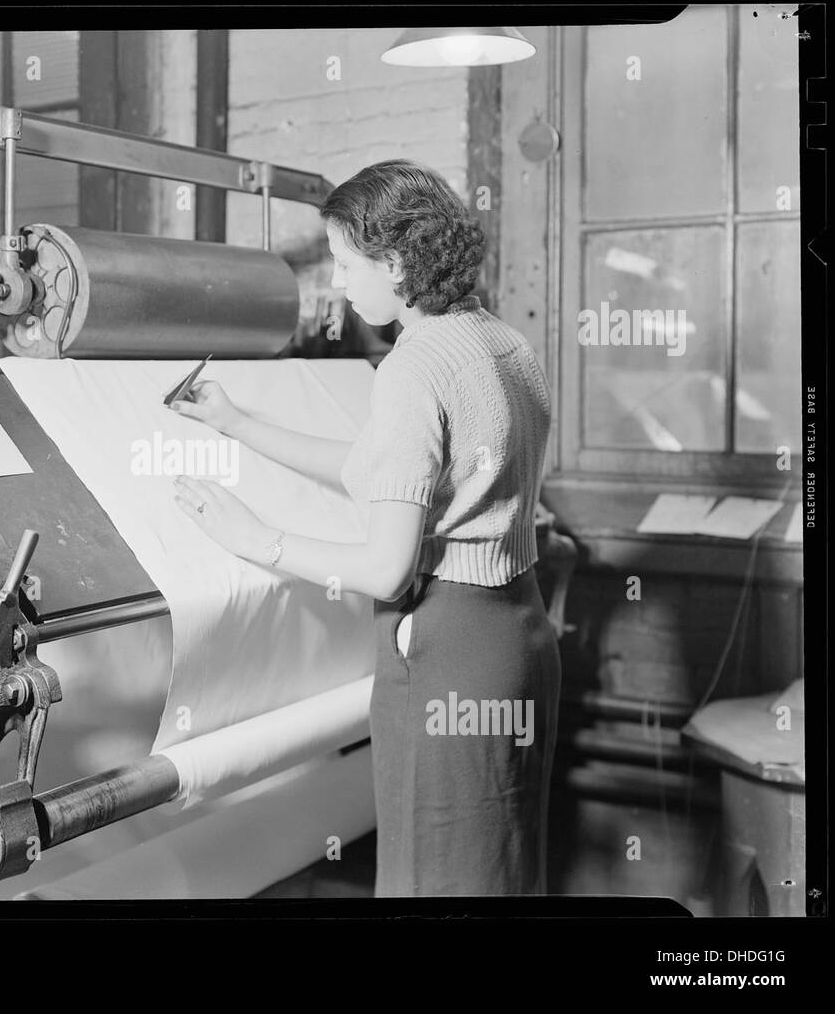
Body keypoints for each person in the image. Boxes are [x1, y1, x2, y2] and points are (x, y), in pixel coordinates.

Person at [170, 159, 561, 896]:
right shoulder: (506, 345)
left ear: (397, 261)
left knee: (429, 873)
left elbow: (387, 567)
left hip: (445, 648)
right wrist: (236, 422)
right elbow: (384, 467)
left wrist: (258, 540)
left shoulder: (411, 369)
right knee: (498, 866)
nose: (341, 283)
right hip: (519, 637)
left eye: (348, 263)